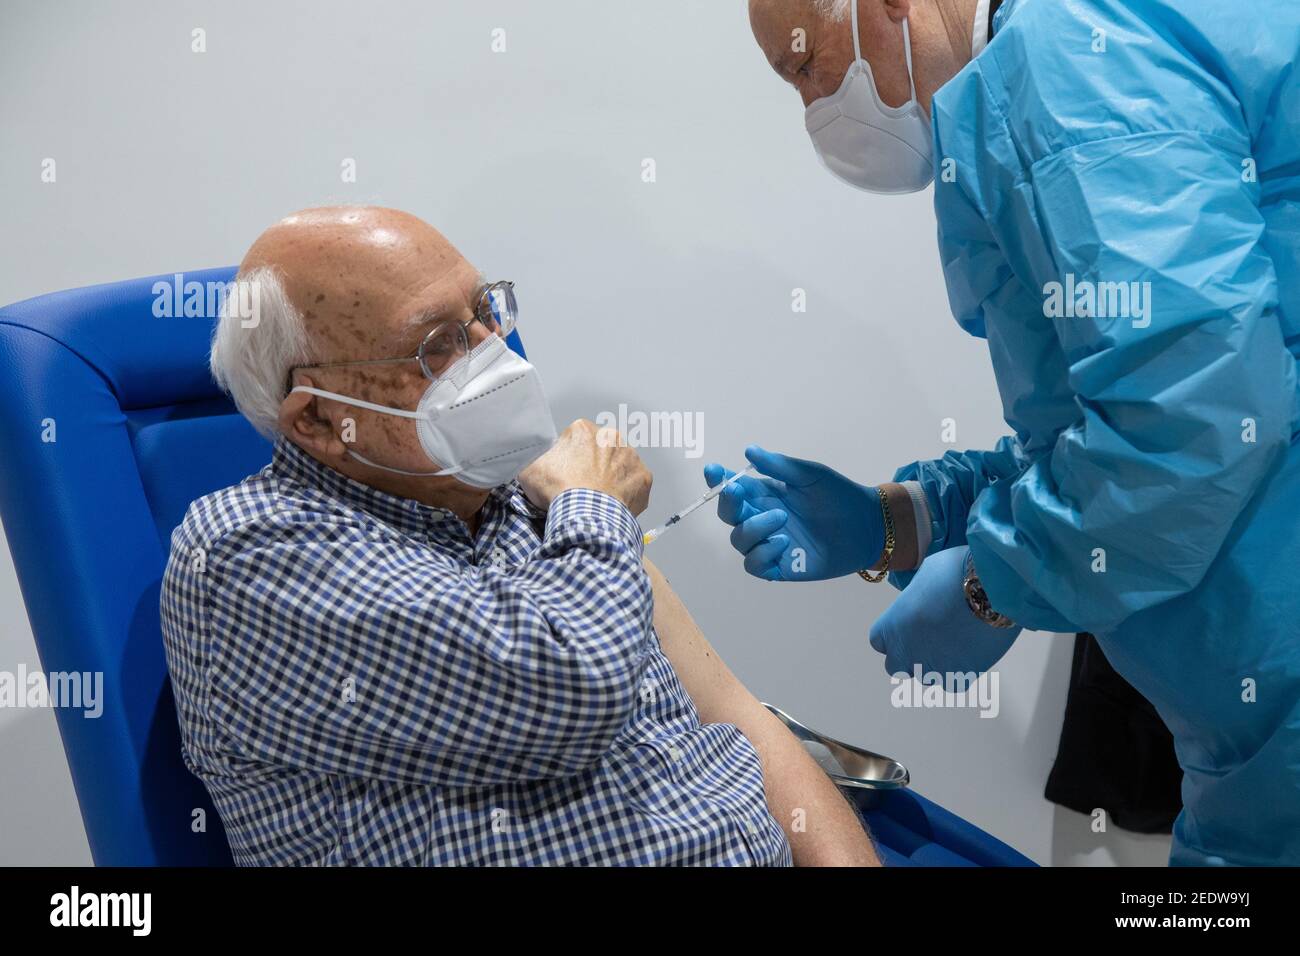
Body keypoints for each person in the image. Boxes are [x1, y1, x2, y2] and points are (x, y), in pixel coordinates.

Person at [712, 0, 1300, 865]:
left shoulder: (1072, 67)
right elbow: (1099, 432)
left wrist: (995, 587)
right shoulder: (1042, 83)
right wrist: (903, 517)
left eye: (805, 68)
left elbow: (1189, 425)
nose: (814, 109)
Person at [160, 205, 878, 866]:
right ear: (318, 421)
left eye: (484, 310)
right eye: (438, 344)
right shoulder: (250, 553)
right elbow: (577, 691)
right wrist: (592, 503)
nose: (493, 352)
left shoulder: (524, 492)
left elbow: (729, 710)